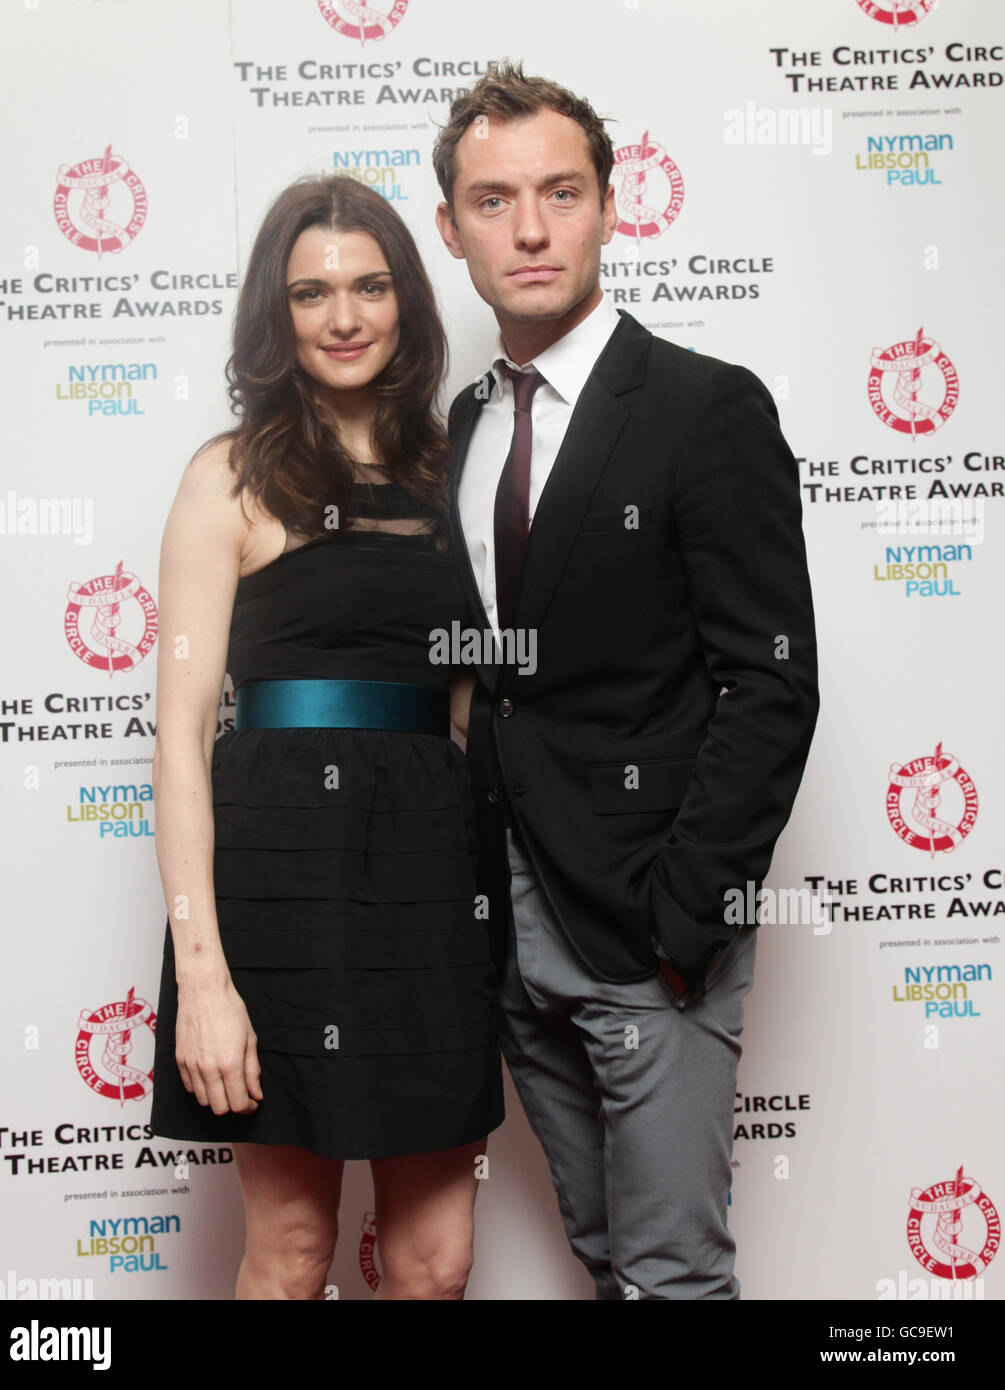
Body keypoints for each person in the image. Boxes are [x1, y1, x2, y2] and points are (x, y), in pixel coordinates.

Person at [432, 62, 819, 1299]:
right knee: (607, 1258)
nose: (530, 229)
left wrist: (685, 918)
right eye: (493, 201)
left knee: (670, 1270)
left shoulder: (704, 408)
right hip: (505, 917)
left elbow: (771, 680)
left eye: (560, 192)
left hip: (648, 917)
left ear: (610, 204)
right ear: (450, 228)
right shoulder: (464, 425)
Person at [148, 174, 503, 1301]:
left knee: (435, 1263)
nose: (343, 316)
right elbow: (179, 731)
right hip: (274, 886)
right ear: (276, 312)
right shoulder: (230, 476)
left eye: (368, 285)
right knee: (294, 1253)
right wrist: (202, 973)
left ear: (407, 303)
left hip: (428, 885)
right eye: (311, 293)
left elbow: (469, 710)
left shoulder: (460, 470)